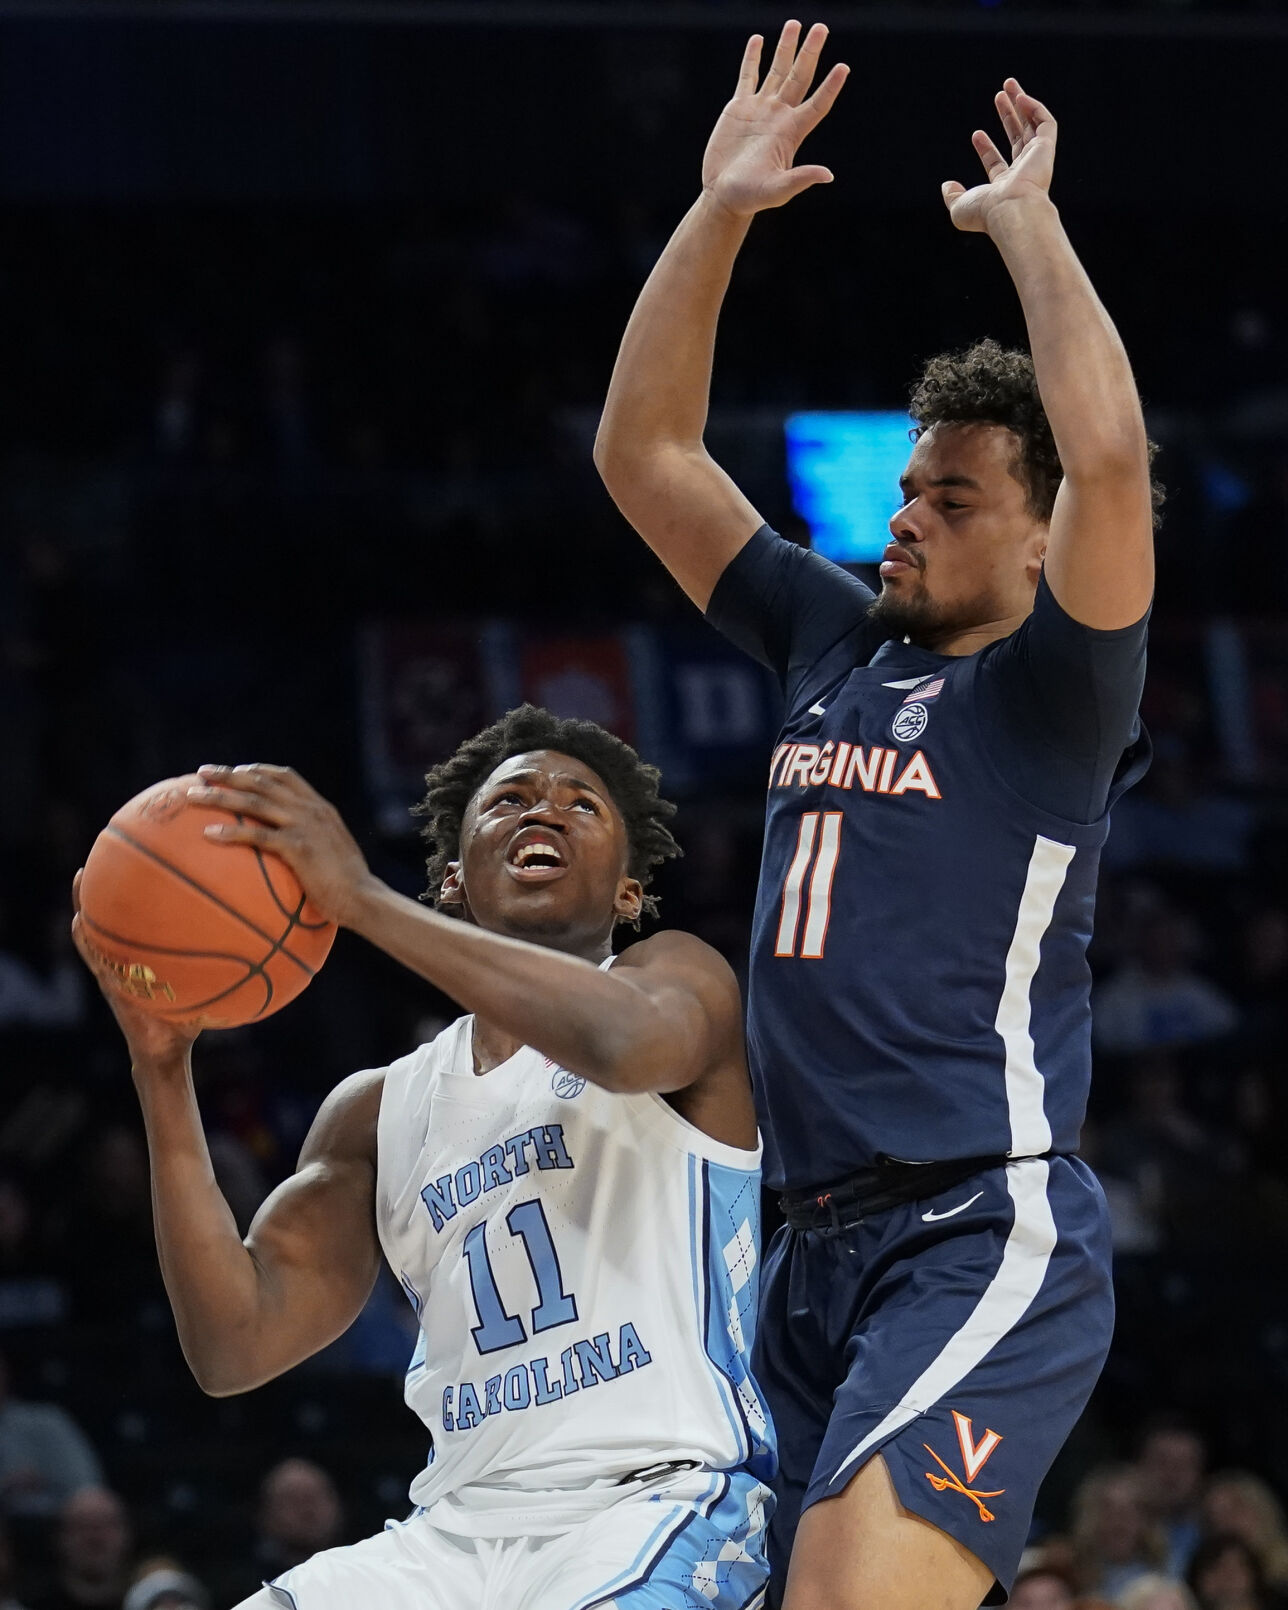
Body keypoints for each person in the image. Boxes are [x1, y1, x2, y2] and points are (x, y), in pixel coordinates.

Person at [594, 19, 1158, 1610]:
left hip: (979, 1220)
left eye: (955, 500)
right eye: (906, 491)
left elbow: (1108, 453)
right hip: (802, 1240)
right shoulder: (831, 639)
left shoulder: (1056, 696)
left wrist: (1029, 229)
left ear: (1044, 548)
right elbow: (643, 453)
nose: (905, 520)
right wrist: (718, 212)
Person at [71, 706, 773, 1610]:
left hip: (658, 1502)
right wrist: (163, 1071)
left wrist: (362, 900)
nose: (543, 811)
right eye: (509, 799)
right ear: (451, 878)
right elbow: (233, 1343)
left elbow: (623, 1046)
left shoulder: (679, 979)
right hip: (453, 1534)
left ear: (630, 892)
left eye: (582, 804)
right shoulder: (377, 1109)